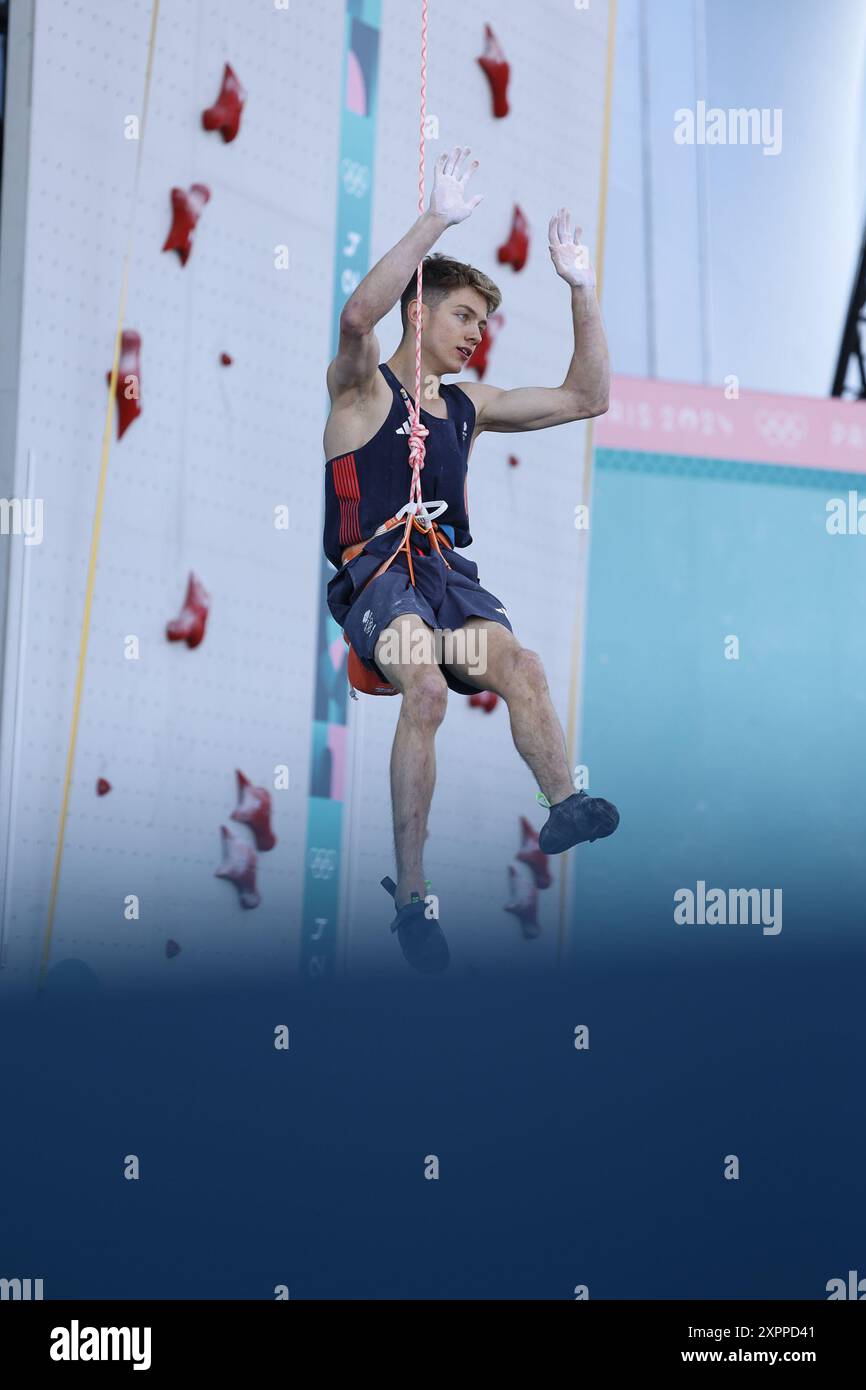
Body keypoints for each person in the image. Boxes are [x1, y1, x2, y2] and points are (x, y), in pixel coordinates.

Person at [323, 146, 619, 972]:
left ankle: (563, 803)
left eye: (484, 324)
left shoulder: (468, 408)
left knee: (520, 666)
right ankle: (412, 900)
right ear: (421, 314)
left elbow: (587, 397)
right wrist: (436, 221)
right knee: (424, 687)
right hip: (379, 573)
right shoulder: (361, 390)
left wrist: (582, 290)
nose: (477, 337)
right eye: (464, 317)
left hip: (444, 574)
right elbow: (355, 318)